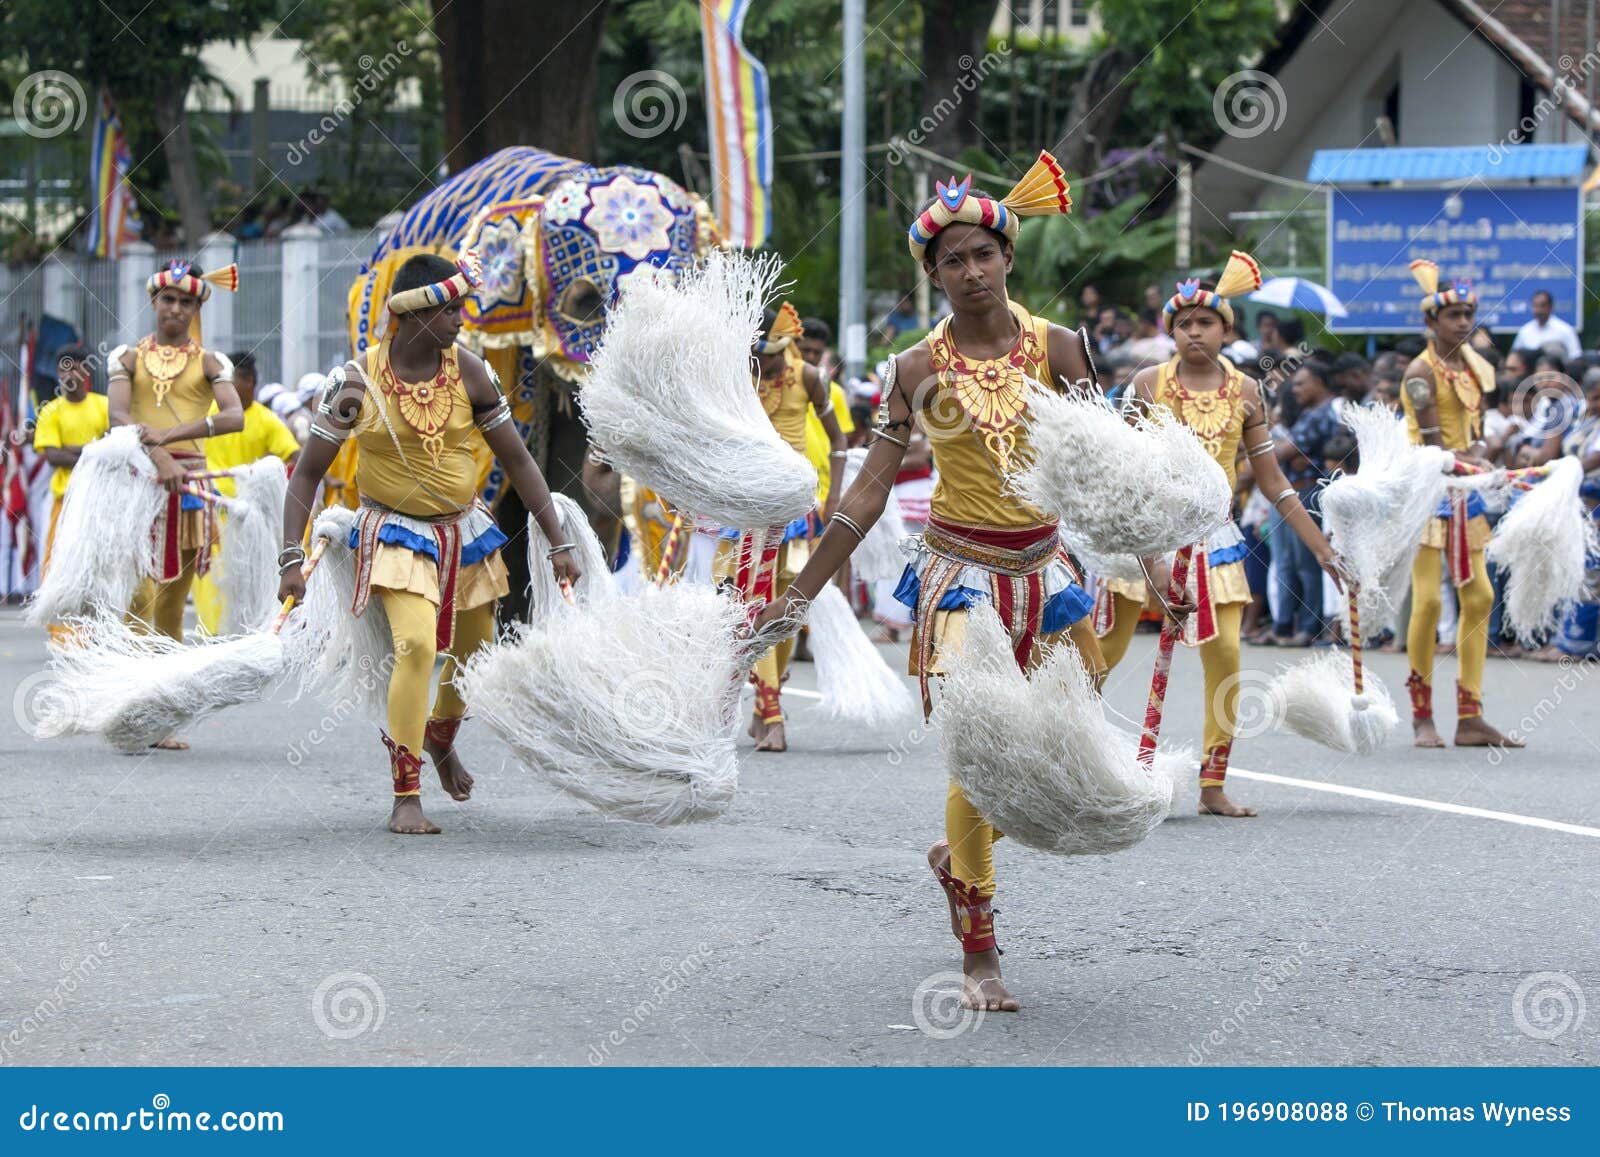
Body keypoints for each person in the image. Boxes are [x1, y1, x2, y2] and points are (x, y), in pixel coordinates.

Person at [750, 157, 1184, 1011]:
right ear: (933, 275)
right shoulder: (912, 367)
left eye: (983, 253)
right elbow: (870, 489)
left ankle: (958, 863)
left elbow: (1108, 468)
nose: (971, 271)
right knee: (979, 758)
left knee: (1060, 733)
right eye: (953, 260)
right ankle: (981, 949)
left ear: (1008, 257)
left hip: (1050, 571)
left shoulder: (1062, 347)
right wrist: (800, 591)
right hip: (958, 578)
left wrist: (1156, 560)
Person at [277, 252, 580, 835]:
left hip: (464, 532)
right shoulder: (354, 382)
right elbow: (307, 475)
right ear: (415, 312)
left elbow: (517, 460)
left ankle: (441, 737)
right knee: (416, 645)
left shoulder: (472, 373)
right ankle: (406, 792)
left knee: (475, 653)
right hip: (392, 532)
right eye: (450, 309)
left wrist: (557, 540)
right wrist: (292, 556)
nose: (461, 319)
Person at [1096, 256, 1344, 818]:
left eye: (1205, 322)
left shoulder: (1248, 392)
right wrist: (1149, 556)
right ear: (1170, 332)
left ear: (1227, 330)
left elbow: (1276, 484)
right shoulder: (1144, 385)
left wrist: (1323, 548)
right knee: (1103, 655)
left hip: (1216, 539)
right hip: (1144, 536)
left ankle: (1213, 784)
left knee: (1228, 656)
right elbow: (1123, 476)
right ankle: (1071, 764)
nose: (1193, 332)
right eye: (1182, 323)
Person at [1399, 261, 1522, 749]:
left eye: (1469, 313)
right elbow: (1435, 448)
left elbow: (1475, 436)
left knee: (1480, 597)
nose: (1464, 322)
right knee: (1428, 601)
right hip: (1430, 491)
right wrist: (1479, 461)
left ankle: (1470, 715)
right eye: (1454, 316)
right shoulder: (1417, 372)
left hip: (1465, 493)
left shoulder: (1477, 367)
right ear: (1432, 323)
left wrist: (1492, 459)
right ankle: (1421, 714)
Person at [106, 260, 245, 672]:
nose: (176, 309)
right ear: (153, 300)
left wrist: (167, 438)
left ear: (196, 308)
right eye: (168, 298)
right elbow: (117, 418)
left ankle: (160, 711)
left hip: (187, 491)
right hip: (139, 484)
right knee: (137, 596)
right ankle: (129, 691)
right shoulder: (127, 358)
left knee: (169, 601)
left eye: (186, 302)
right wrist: (159, 454)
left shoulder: (211, 362)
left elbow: (234, 415)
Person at [728, 304, 847, 752]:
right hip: (748, 504)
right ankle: (773, 713)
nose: (768, 366)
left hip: (798, 508)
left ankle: (764, 706)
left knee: (788, 610)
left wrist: (834, 496)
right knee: (751, 607)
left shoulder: (811, 377)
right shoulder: (739, 378)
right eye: (760, 357)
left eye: (774, 356)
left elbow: (837, 439)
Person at [192, 352, 303, 634]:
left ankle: (247, 631)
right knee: (210, 576)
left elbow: (294, 456)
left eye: (231, 382)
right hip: (210, 507)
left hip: (249, 518)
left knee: (248, 576)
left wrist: (269, 477)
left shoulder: (267, 421)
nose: (224, 389)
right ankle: (213, 636)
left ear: (249, 382)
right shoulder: (208, 416)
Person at [32, 344, 110, 643]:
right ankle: (62, 633)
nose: (70, 374)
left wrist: (75, 451)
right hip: (64, 503)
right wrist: (94, 448)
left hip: (99, 503)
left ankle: (95, 632)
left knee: (97, 567)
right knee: (57, 565)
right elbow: (53, 457)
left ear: (86, 371)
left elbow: (112, 446)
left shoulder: (103, 405)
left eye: (76, 367)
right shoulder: (50, 411)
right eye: (64, 368)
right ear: (58, 373)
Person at [1272, 360, 1343, 645]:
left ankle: (1309, 626)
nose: (1295, 389)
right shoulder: (1308, 413)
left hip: (1310, 492)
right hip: (1293, 491)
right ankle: (1291, 625)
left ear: (1319, 383)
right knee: (1289, 563)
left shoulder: (1325, 413)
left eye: (1301, 383)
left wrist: (1274, 451)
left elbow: (1283, 452)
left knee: (1307, 562)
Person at [1511, 290, 1582, 360]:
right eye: (1535, 305)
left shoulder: (1565, 330)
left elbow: (1576, 356)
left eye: (1542, 305)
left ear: (1550, 307)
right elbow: (1515, 356)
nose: (1538, 310)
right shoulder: (1525, 331)